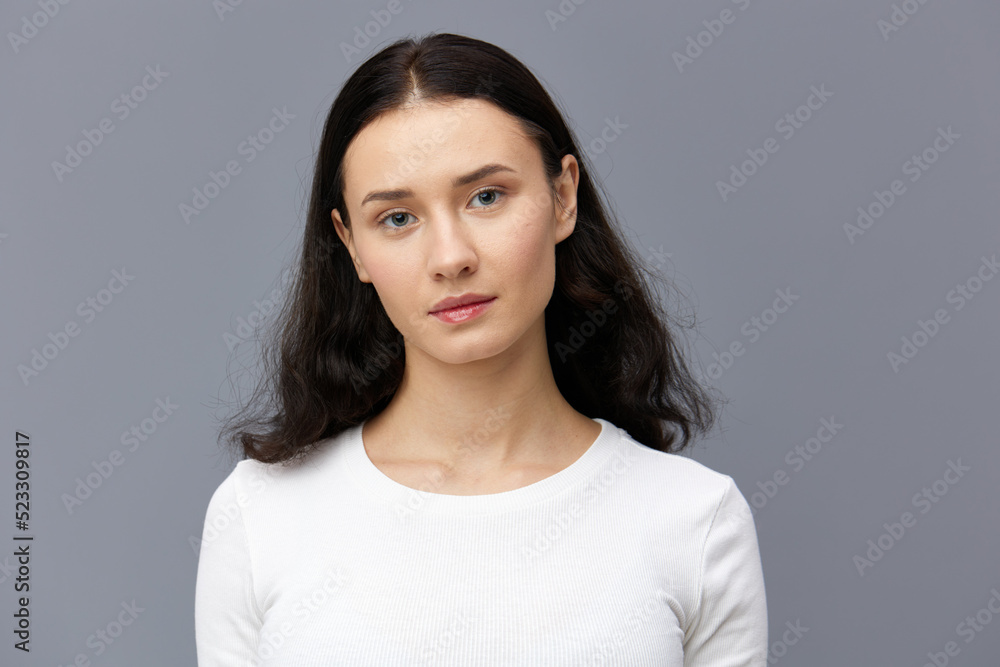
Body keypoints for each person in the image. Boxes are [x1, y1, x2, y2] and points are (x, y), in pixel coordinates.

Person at [194, 31, 767, 666]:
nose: (451, 258)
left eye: (486, 197)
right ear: (351, 242)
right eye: (397, 218)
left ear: (563, 196)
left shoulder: (694, 520)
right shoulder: (261, 516)